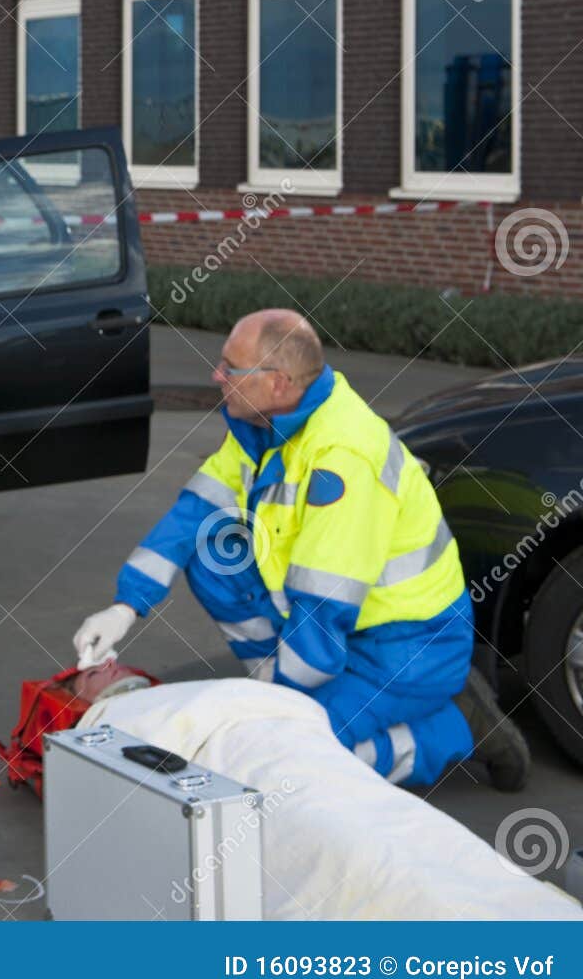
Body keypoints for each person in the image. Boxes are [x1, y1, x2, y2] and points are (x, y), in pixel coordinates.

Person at [73, 309, 530, 791]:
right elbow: (195, 512)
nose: (216, 375)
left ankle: (458, 725)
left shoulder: (343, 461)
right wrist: (126, 605)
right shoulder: (262, 424)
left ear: (277, 383)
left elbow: (322, 610)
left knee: (290, 756)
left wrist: (272, 713)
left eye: (231, 368)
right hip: (352, 628)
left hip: (408, 646)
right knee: (213, 551)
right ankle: (282, 682)